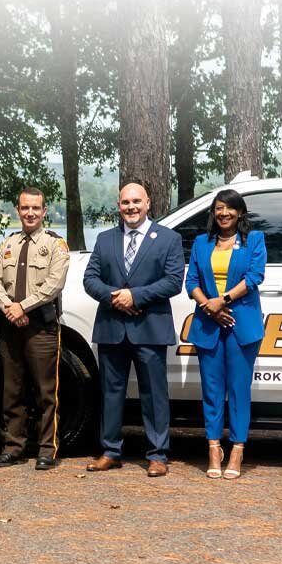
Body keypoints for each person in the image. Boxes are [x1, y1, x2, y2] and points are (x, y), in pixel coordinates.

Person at [81, 180, 186, 477]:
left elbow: (173, 280)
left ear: (148, 203)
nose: (131, 207)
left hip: (149, 328)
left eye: (136, 201)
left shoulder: (168, 239)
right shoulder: (105, 240)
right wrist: (116, 297)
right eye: (126, 202)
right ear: (119, 206)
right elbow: (90, 279)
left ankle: (157, 454)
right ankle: (110, 451)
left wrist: (135, 296)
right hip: (112, 327)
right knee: (110, 393)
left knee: (154, 393)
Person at [0, 187, 70, 471]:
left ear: (44, 211)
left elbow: (54, 285)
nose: (30, 213)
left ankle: (47, 449)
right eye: (25, 208)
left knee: (46, 392)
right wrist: (9, 306)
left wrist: (24, 307)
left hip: (41, 328)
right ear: (18, 211)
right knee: (12, 390)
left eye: (36, 208)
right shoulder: (7, 244)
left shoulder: (56, 245)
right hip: (10, 326)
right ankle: (14, 447)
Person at [186, 189, 266, 480]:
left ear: (240, 212)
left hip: (240, 324)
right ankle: (213, 447)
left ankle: (237, 449)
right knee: (212, 391)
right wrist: (208, 305)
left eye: (230, 209)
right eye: (219, 208)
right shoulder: (201, 243)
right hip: (208, 323)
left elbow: (255, 277)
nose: (224, 214)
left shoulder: (254, 240)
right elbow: (191, 281)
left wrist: (224, 301)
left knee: (238, 390)